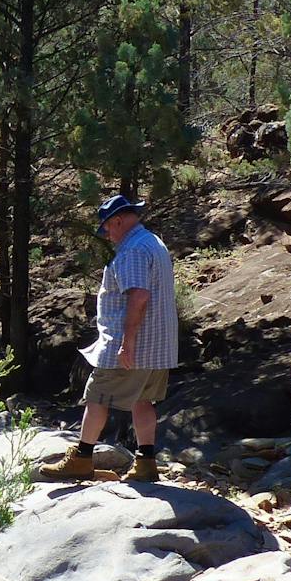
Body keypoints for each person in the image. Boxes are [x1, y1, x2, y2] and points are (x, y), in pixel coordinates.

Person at [41, 194, 179, 483]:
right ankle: (146, 462)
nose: (107, 235)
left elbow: (139, 296)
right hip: (158, 345)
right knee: (144, 401)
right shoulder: (154, 242)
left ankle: (81, 459)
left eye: (107, 228)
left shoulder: (132, 250)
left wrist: (127, 343)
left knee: (96, 395)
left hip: (132, 344)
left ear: (118, 220)